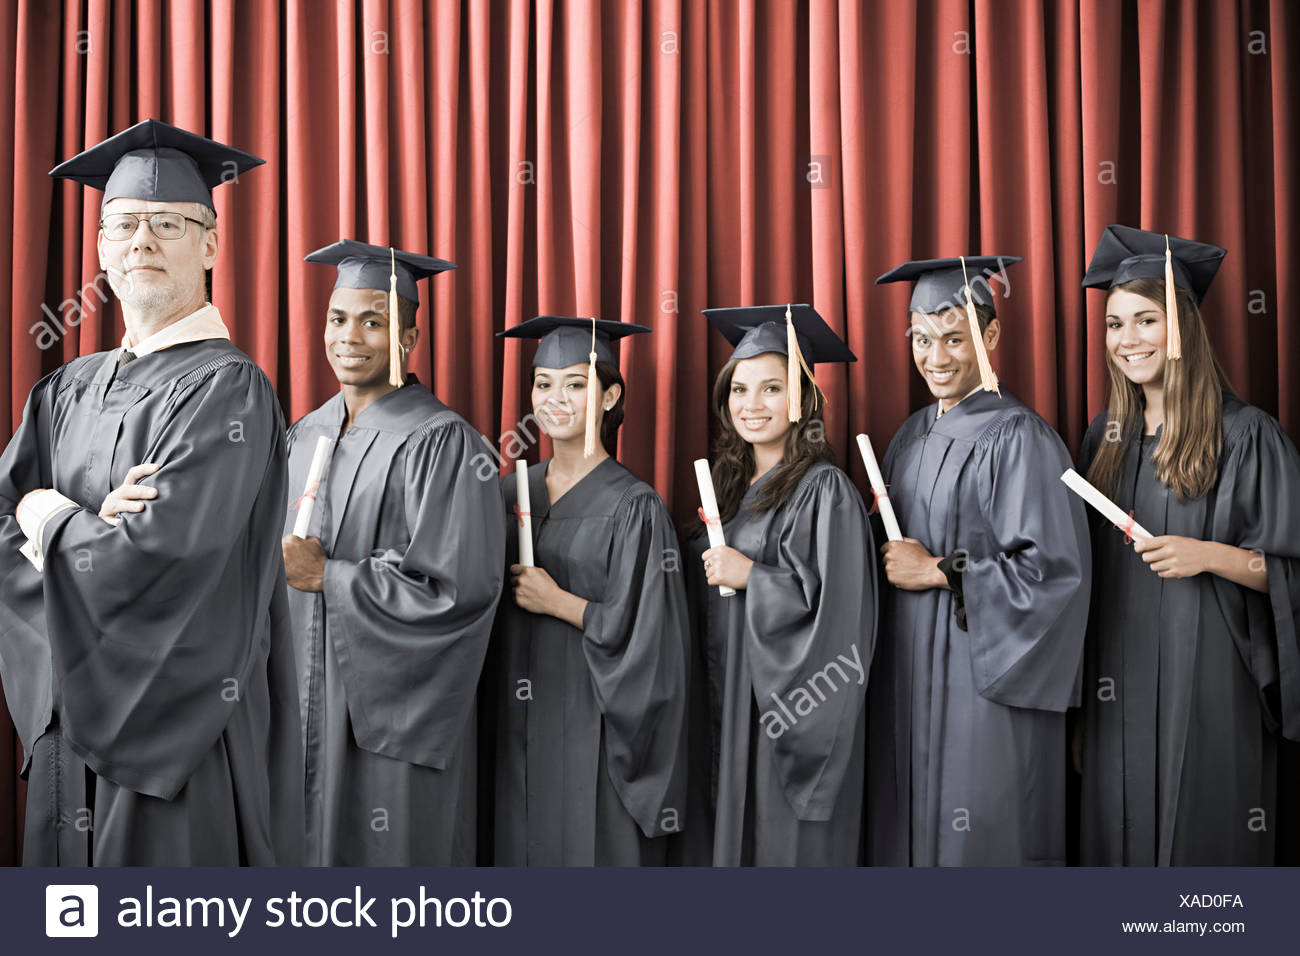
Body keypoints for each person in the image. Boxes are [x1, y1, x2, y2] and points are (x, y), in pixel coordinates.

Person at [0, 119, 301, 865]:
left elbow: (162, 555)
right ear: (101, 246)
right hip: (65, 732)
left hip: (177, 738)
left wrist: (49, 513)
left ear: (209, 245)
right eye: (124, 225)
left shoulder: (228, 391)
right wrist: (64, 520)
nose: (141, 242)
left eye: (168, 224)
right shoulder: (67, 388)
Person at [1076, 225, 1300, 865]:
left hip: (1210, 680)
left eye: (1147, 320)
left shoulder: (1248, 436)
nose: (1128, 340)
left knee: (1201, 835)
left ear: (1184, 329)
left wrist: (1212, 556)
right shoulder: (1104, 439)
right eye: (1116, 325)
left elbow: (1291, 570)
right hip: (1115, 680)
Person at [281, 239, 505, 865]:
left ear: (409, 335)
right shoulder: (303, 433)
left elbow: (457, 591)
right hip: (294, 710)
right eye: (338, 318)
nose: (350, 337)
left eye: (373, 321)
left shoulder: (446, 444)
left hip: (384, 723)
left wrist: (331, 578)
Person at [867, 256, 1090, 866]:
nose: (935, 356)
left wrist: (938, 570)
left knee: (983, 836)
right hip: (908, 677)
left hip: (986, 682)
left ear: (990, 338)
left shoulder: (1021, 437)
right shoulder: (908, 437)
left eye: (954, 338)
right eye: (921, 338)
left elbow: (1054, 575)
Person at [486, 315, 688, 865]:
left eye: (575, 384)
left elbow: (654, 640)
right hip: (508, 719)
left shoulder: (635, 506)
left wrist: (561, 603)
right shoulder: (509, 491)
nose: (555, 399)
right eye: (543, 384)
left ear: (609, 395)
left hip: (592, 721)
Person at [689, 304, 875, 866]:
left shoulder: (827, 492)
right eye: (739, 390)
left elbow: (841, 621)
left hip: (790, 716)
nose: (751, 405)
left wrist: (752, 578)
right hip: (730, 705)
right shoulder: (729, 490)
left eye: (771, 389)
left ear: (802, 400)